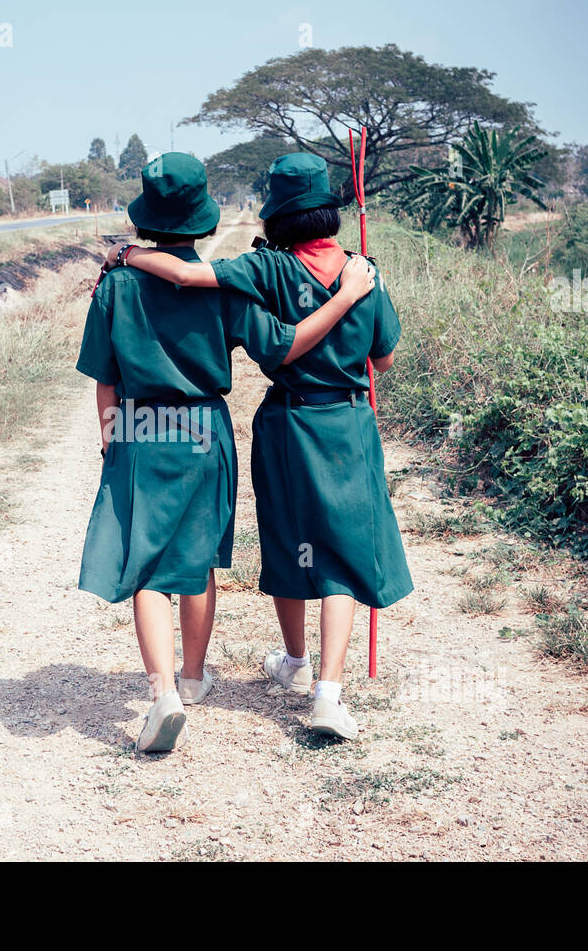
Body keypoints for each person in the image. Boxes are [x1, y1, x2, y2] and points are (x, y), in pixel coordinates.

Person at [104, 152, 413, 741]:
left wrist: (126, 253)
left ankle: (292, 661)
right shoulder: (364, 272)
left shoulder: (266, 269)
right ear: (331, 213)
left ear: (274, 217)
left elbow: (193, 278)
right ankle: (327, 692)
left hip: (287, 425)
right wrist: (349, 296)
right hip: (348, 425)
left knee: (291, 540)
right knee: (342, 556)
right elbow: (385, 358)